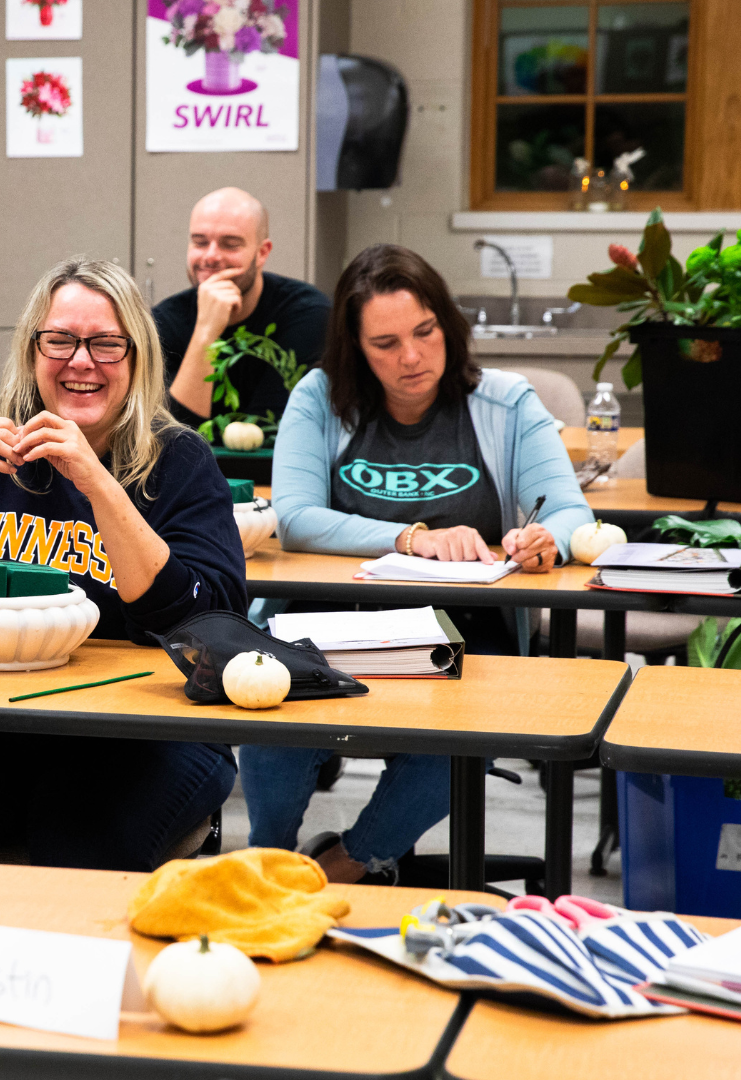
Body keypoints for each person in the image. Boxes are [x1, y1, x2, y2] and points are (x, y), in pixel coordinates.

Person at [0, 257, 245, 871]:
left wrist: (97, 483)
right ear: (32, 350)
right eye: (59, 340)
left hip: (141, 731)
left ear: (137, 357)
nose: (80, 361)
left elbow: (206, 623)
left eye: (106, 344)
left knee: (78, 844)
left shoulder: (180, 460)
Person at [245, 243, 593, 884]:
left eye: (425, 332)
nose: (411, 357)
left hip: (462, 626)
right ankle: (264, 868)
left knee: (465, 733)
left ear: (448, 327)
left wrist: (549, 541)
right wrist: (410, 537)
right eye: (385, 343)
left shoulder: (506, 402)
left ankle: (348, 864)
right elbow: (294, 516)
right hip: (331, 619)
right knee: (273, 717)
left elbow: (572, 513)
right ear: (355, 350)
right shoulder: (320, 397)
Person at [151, 187, 331, 429]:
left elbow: (265, 427)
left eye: (230, 244)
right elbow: (172, 435)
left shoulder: (307, 314)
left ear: (262, 253)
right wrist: (206, 331)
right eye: (200, 242)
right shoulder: (163, 321)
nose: (211, 256)